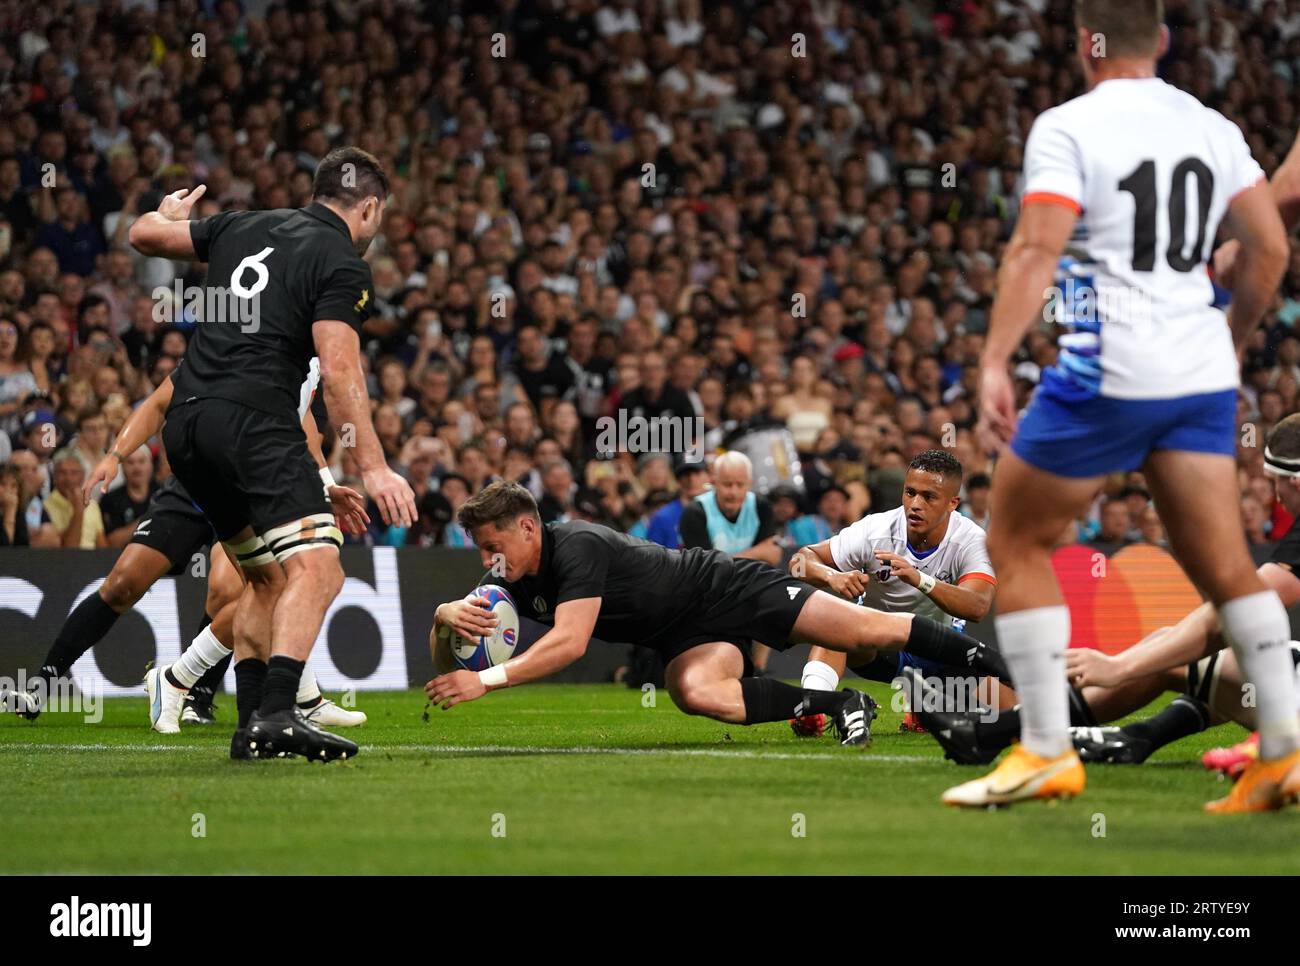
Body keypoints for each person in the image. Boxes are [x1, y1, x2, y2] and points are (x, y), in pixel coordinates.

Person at [962, 0, 1297, 811]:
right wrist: (1231, 339)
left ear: (1087, 42)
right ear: (1167, 41)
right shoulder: (1212, 125)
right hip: (1197, 375)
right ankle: (1284, 753)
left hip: (1108, 364)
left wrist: (997, 358)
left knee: (1015, 537)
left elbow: (1037, 246)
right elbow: (1271, 248)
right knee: (1225, 569)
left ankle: (1044, 750)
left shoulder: (1069, 125)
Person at [127, 147, 416, 761]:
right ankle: (282, 713)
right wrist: (374, 467)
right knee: (320, 568)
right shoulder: (340, 260)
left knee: (264, 579)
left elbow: (143, 235)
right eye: (380, 217)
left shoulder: (242, 223)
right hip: (254, 421)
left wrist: (164, 211)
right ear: (368, 207)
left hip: (187, 425)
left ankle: (254, 725)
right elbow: (339, 374)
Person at [424, 480, 1015, 748]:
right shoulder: (509, 574)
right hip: (685, 634)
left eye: (490, 544)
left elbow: (570, 644)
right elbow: (455, 653)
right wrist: (443, 617)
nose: (485, 558)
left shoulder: (574, 545)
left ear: (528, 527)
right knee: (695, 692)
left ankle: (1008, 672)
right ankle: (841, 703)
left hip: (727, 587)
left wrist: (486, 680)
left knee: (873, 628)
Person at [3, 365, 369, 733]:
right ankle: (41, 686)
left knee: (243, 590)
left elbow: (304, 429)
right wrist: (115, 456)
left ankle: (202, 695)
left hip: (247, 485)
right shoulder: (232, 342)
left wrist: (325, 485)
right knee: (122, 584)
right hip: (198, 482)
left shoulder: (306, 361)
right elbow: (161, 400)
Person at [789, 450, 1003, 736]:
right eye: (910, 493)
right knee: (836, 624)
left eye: (928, 497)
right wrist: (833, 576)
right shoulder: (876, 530)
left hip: (941, 652)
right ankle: (811, 707)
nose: (915, 505)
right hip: (883, 646)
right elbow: (800, 561)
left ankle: (925, 705)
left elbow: (977, 606)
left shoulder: (970, 540)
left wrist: (920, 579)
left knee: (1009, 711)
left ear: (953, 503)